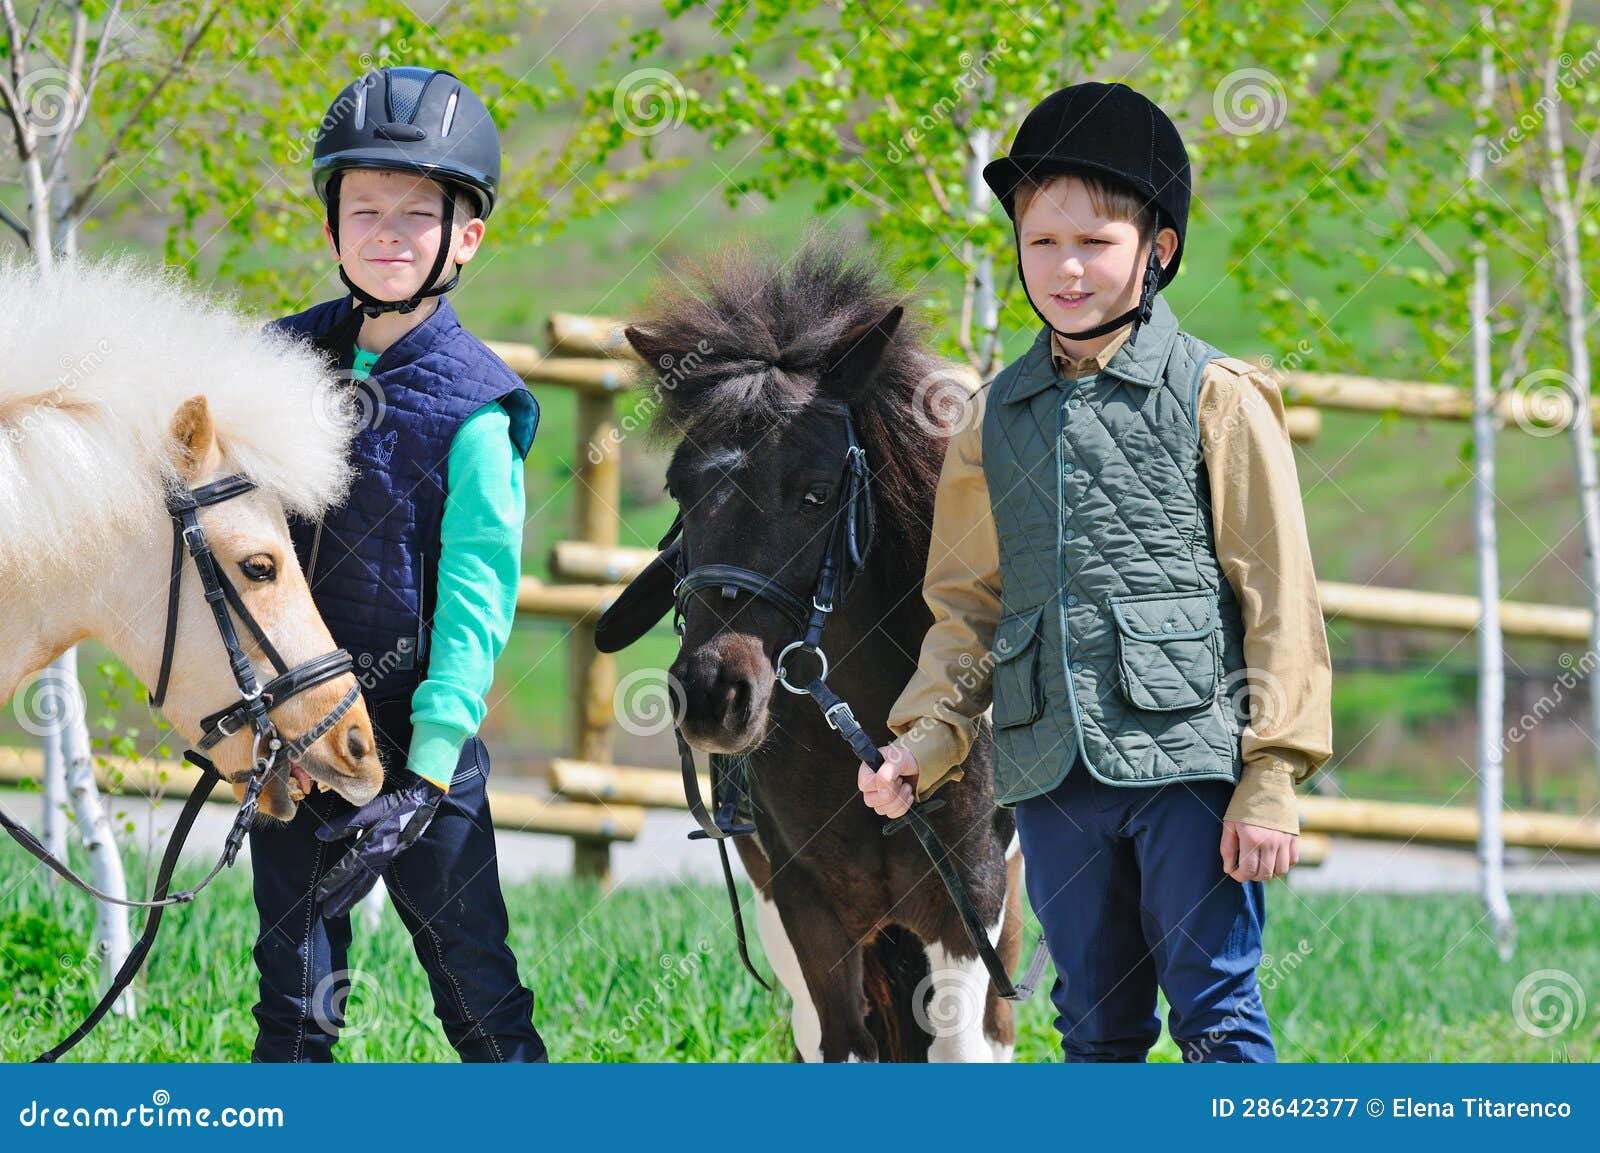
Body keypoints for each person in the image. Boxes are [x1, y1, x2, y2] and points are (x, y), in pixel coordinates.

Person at [858, 81, 1333, 1062]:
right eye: (1041, 243)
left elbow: (1279, 598)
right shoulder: (993, 417)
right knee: (1092, 1023)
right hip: (1053, 772)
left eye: (1095, 243)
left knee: (1216, 1011)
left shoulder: (1218, 396)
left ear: (1156, 249)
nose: (1065, 268)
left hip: (1191, 766)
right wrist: (923, 741)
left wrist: (1272, 773)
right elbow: (965, 610)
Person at [247, 65, 547, 1062]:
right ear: (330, 227)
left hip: (421, 751)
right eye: (362, 207)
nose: (385, 232)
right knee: (293, 1006)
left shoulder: (478, 409)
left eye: (415, 215)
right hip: (300, 737)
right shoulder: (275, 361)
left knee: (479, 998)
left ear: (465, 236)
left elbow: (475, 602)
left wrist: (422, 777)